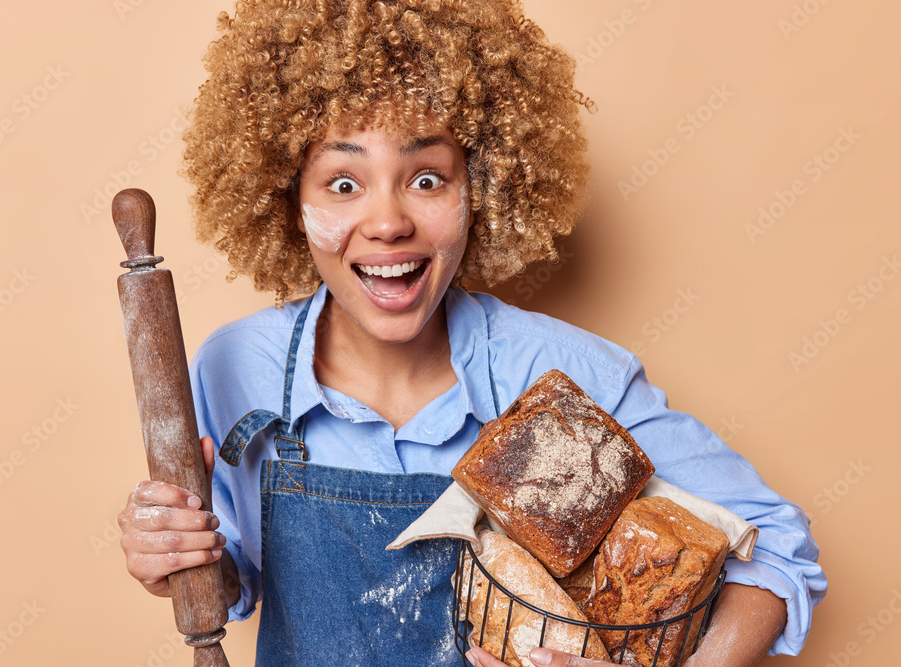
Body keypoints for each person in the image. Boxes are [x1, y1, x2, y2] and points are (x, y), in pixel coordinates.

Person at [117, 1, 826, 665]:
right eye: (343, 183)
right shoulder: (237, 366)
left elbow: (776, 546)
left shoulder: (559, 372)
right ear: (286, 198)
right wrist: (180, 555)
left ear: (481, 188)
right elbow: (235, 583)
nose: (388, 222)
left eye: (427, 179)